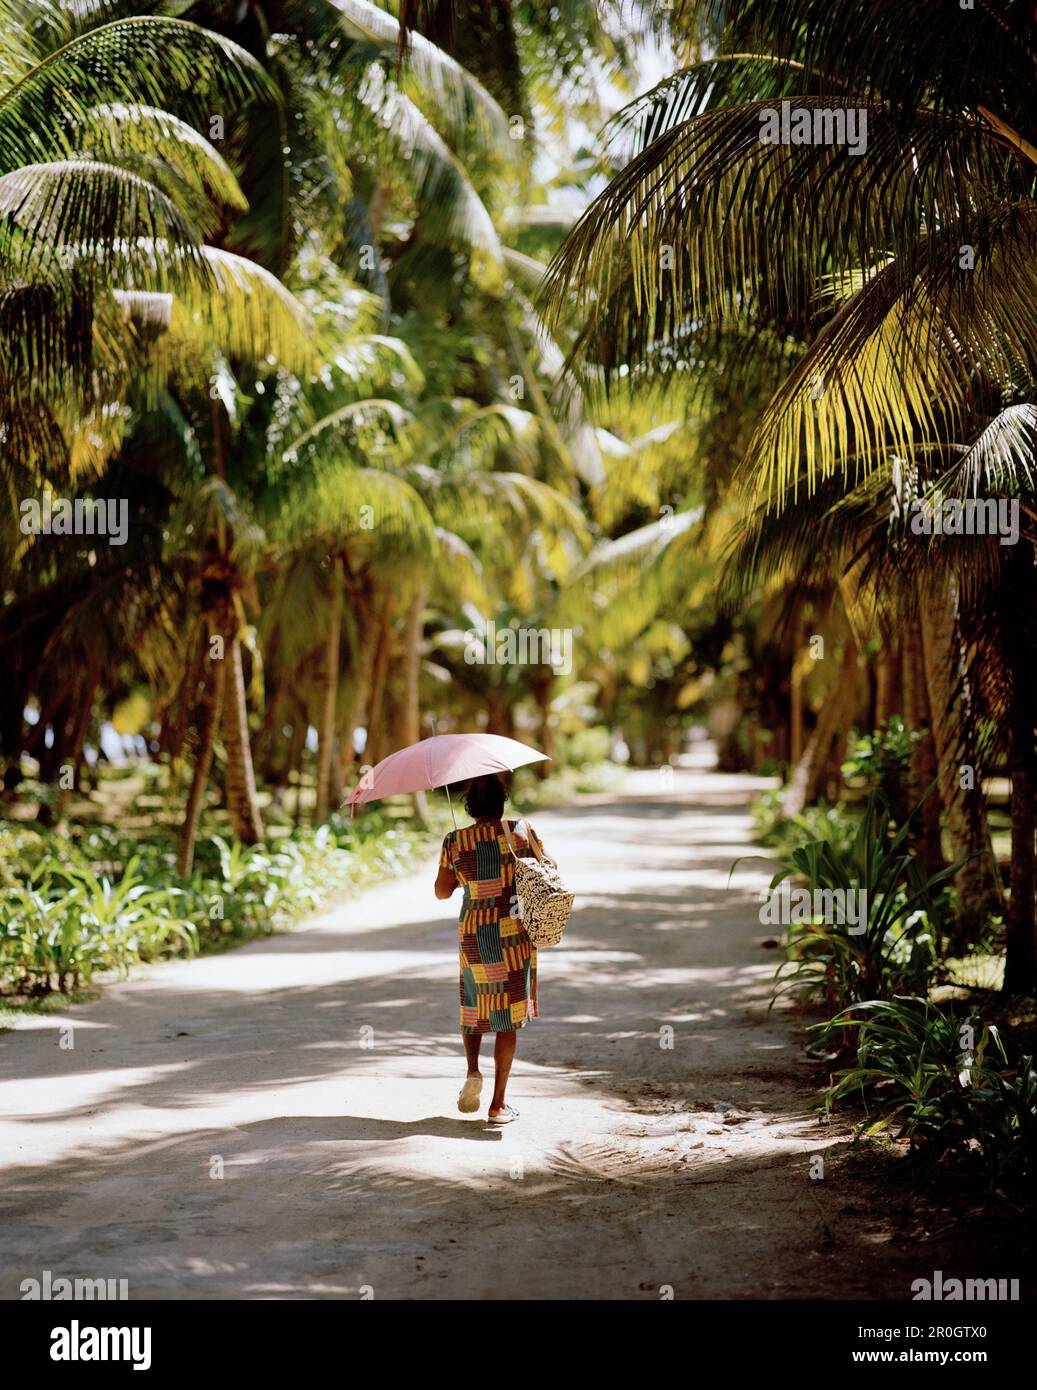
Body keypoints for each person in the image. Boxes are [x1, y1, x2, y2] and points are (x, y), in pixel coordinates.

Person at [434, 772, 556, 1123]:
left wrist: (464, 874)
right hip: (513, 931)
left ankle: (473, 1070)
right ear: (502, 803)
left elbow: (441, 891)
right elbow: (549, 868)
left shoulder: (455, 840)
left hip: (475, 933)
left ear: (470, 807)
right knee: (508, 1018)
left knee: (474, 1005)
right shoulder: (520, 830)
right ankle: (498, 1105)